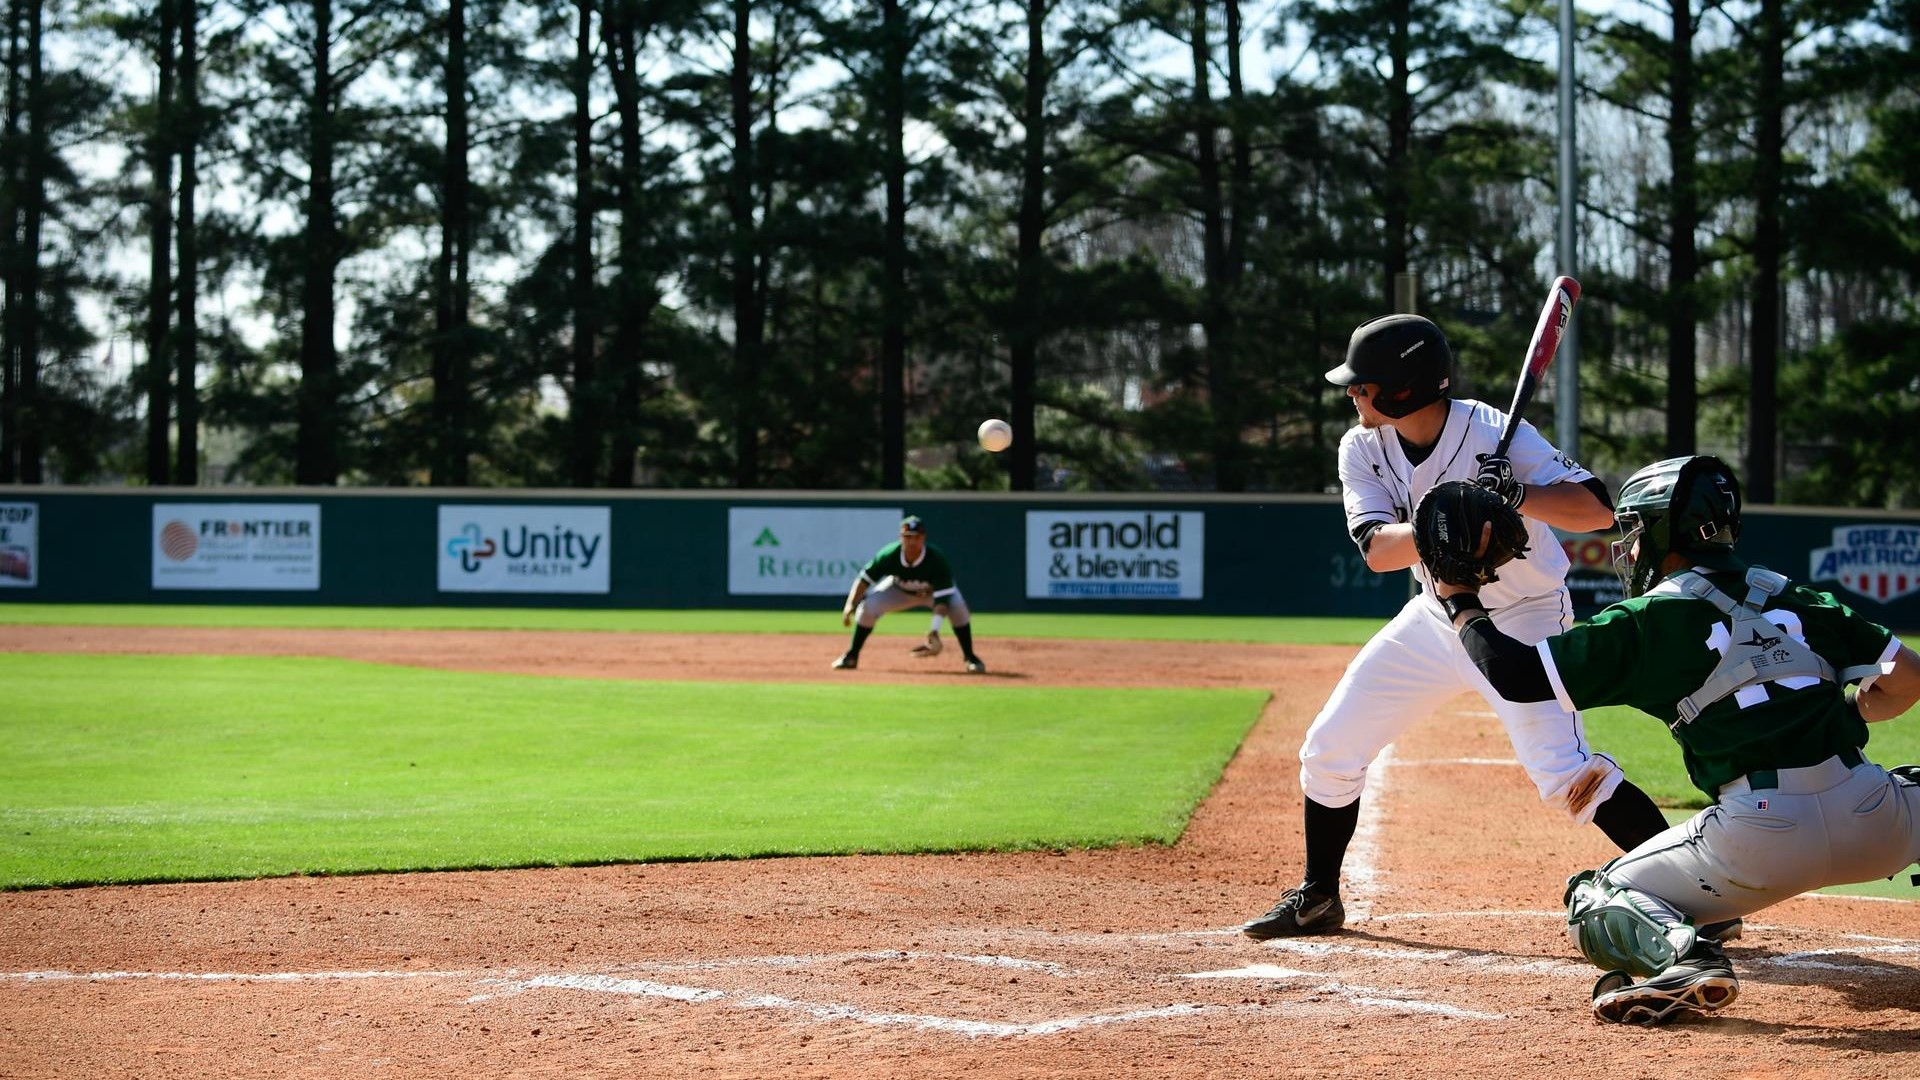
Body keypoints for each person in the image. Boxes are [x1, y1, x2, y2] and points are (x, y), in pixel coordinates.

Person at [1424, 454, 1920, 1025]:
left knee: (1597, 899)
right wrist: (1851, 704)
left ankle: (1688, 957)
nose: (1630, 547)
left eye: (1635, 530)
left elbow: (1515, 676)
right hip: (1874, 819)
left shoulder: (1648, 619)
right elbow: (1907, 677)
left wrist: (1458, 596)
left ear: (1661, 530)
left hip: (1759, 841)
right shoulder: (1796, 597)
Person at [1242, 313, 1676, 940]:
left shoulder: (1494, 430)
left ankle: (1697, 889)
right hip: (1437, 614)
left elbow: (1596, 511)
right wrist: (1454, 514)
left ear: (1402, 389)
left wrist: (1518, 495)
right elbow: (1375, 548)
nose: (1351, 395)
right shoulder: (1360, 446)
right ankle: (1319, 896)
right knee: (1329, 747)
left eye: (1362, 385)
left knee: (1564, 775)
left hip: (1525, 618)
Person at [833, 515, 986, 674]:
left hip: (932, 594)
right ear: (901, 538)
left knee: (958, 607)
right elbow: (864, 579)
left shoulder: (936, 559)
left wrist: (934, 630)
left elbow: (942, 600)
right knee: (868, 607)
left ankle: (970, 658)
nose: (912, 542)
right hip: (899, 591)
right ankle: (852, 656)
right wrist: (850, 604)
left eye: (917, 537)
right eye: (907, 537)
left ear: (923, 538)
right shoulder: (890, 555)